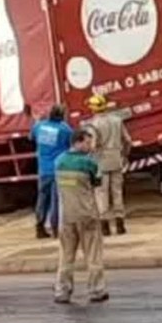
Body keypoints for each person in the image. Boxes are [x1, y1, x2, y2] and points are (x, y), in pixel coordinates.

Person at [53, 129, 108, 305]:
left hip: (66, 216)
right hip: (87, 215)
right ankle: (96, 290)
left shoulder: (59, 161)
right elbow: (97, 183)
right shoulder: (88, 163)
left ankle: (62, 291)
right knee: (93, 255)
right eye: (87, 142)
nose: (90, 146)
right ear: (78, 142)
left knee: (66, 256)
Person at [85, 94, 131, 236]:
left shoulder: (93, 125)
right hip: (116, 159)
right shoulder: (117, 120)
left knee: (101, 193)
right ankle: (120, 224)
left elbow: (92, 146)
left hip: (100, 162)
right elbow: (128, 140)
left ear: (93, 109)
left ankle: (105, 226)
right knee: (117, 192)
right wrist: (124, 155)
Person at [29, 105, 73, 239]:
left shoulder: (39, 126)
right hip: (58, 169)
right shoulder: (65, 129)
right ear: (62, 116)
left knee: (42, 198)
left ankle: (39, 226)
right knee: (56, 199)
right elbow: (72, 145)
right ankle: (55, 229)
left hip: (43, 170)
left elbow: (31, 137)